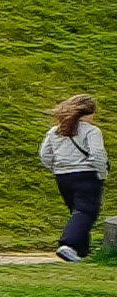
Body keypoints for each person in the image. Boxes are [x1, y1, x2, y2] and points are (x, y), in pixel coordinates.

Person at [50, 96, 106, 261]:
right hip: (85, 174)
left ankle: (81, 250)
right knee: (86, 210)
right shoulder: (91, 131)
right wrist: (101, 173)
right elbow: (97, 154)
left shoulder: (55, 131)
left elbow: (45, 154)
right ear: (87, 113)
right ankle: (69, 245)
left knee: (76, 210)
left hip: (62, 176)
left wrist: (56, 168)